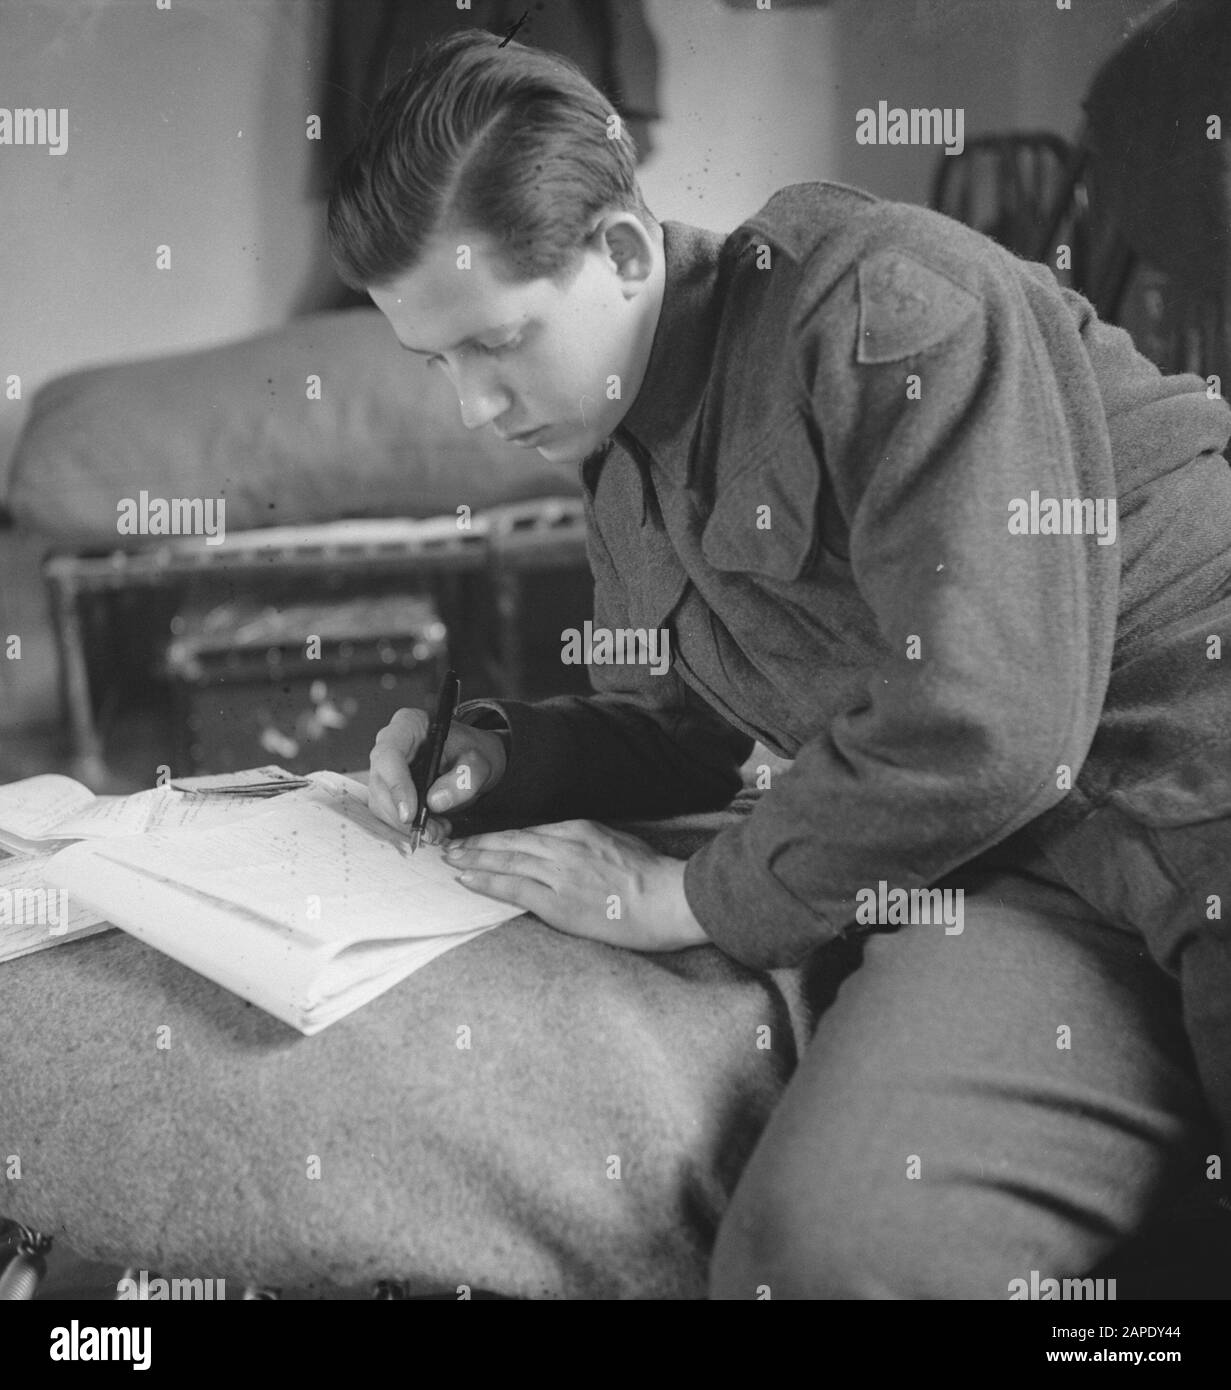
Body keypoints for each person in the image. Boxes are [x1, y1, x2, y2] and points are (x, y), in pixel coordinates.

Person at [327, 28, 1231, 1298]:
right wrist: (493, 754)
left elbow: (994, 722)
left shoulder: (885, 310)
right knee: (826, 1252)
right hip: (998, 866)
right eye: (439, 362)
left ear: (625, 252)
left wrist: (682, 900)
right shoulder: (619, 449)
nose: (474, 407)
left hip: (1197, 782)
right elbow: (690, 725)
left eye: (498, 343)